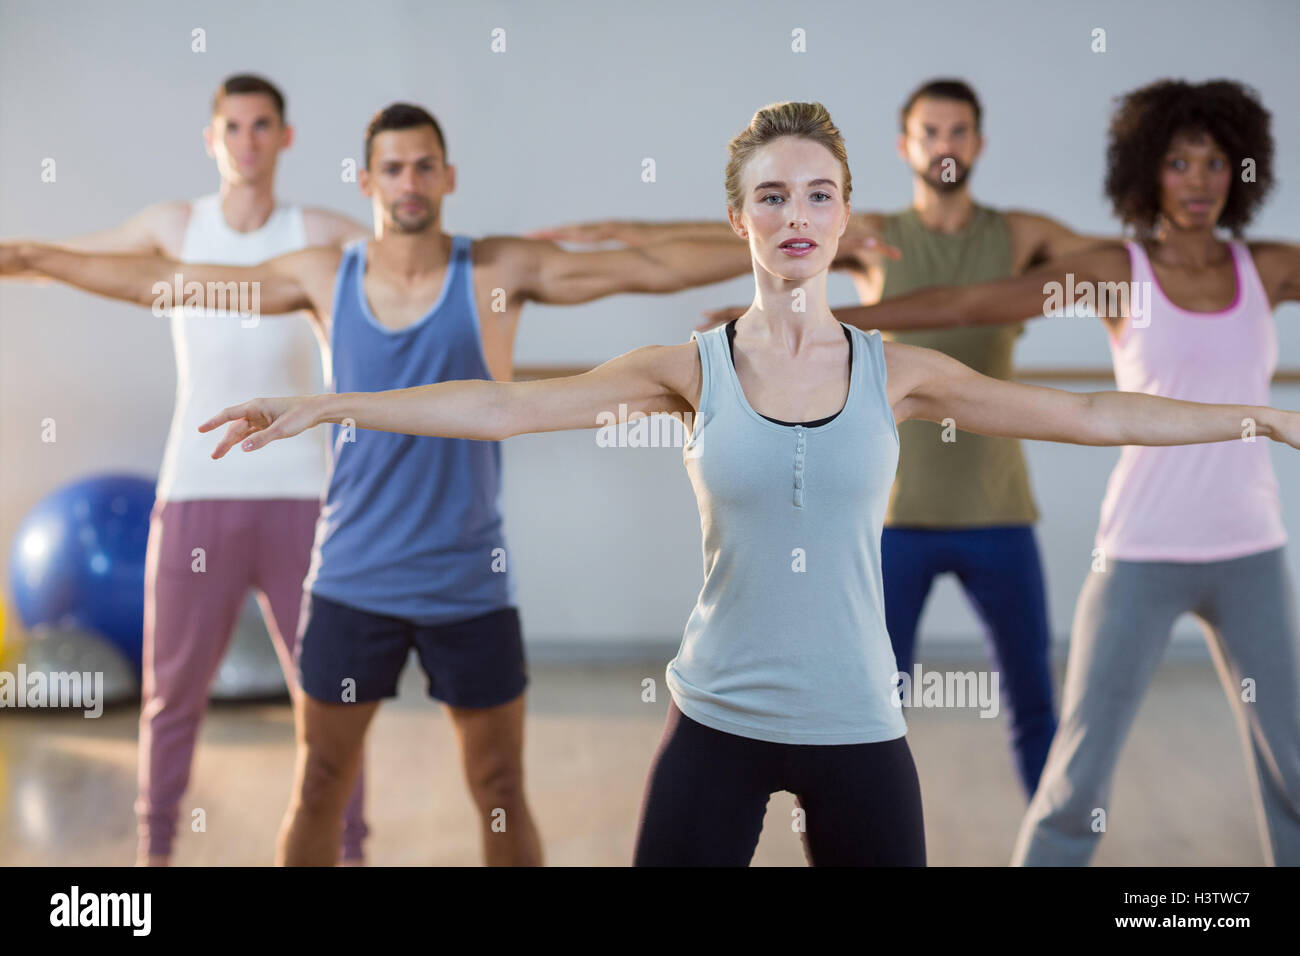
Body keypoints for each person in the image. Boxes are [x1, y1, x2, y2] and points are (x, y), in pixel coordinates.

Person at [187, 100, 1298, 866]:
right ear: (740, 221)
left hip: (860, 724)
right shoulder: (690, 364)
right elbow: (502, 405)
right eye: (770, 198)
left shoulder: (894, 369)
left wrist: (1255, 415)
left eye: (817, 195)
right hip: (716, 714)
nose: (795, 217)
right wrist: (334, 404)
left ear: (844, 215)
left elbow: (1092, 414)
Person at [2, 101, 757, 866]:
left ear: (448, 176)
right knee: (321, 780)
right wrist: (33, 257)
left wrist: (779, 234)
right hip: (354, 578)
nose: (409, 181)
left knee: (499, 786)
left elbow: (647, 268)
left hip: (469, 579)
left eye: (425, 165)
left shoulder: (496, 268)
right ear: (366, 180)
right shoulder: (325, 275)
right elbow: (174, 283)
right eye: (392, 167)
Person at [533, 79, 1113, 799]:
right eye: (929, 132)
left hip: (998, 504)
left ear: (978, 143)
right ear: (906, 146)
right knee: (873, 698)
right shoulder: (873, 233)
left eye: (958, 131)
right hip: (895, 511)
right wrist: (627, 228)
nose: (945, 145)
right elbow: (751, 222)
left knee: (1032, 696)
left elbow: (1123, 261)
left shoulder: (1021, 234)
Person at [826, 78, 1300, 866]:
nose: (1198, 182)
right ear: (1148, 172)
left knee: (1296, 763)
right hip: (1140, 553)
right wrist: (826, 324)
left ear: (1239, 171)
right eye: (1179, 163)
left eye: (1217, 164)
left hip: (1252, 549)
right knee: (1076, 774)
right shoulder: (1118, 269)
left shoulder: (1271, 269)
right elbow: (968, 304)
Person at [5, 73, 372, 866]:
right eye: (232, 127)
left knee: (329, 695)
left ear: (286, 137)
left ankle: (350, 851)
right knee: (172, 696)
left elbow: (419, 260)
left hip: (302, 496)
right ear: (212, 140)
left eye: (262, 126)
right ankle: (155, 857)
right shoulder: (174, 226)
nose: (247, 141)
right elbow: (64, 261)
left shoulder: (318, 230)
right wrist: (19, 258)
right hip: (198, 492)